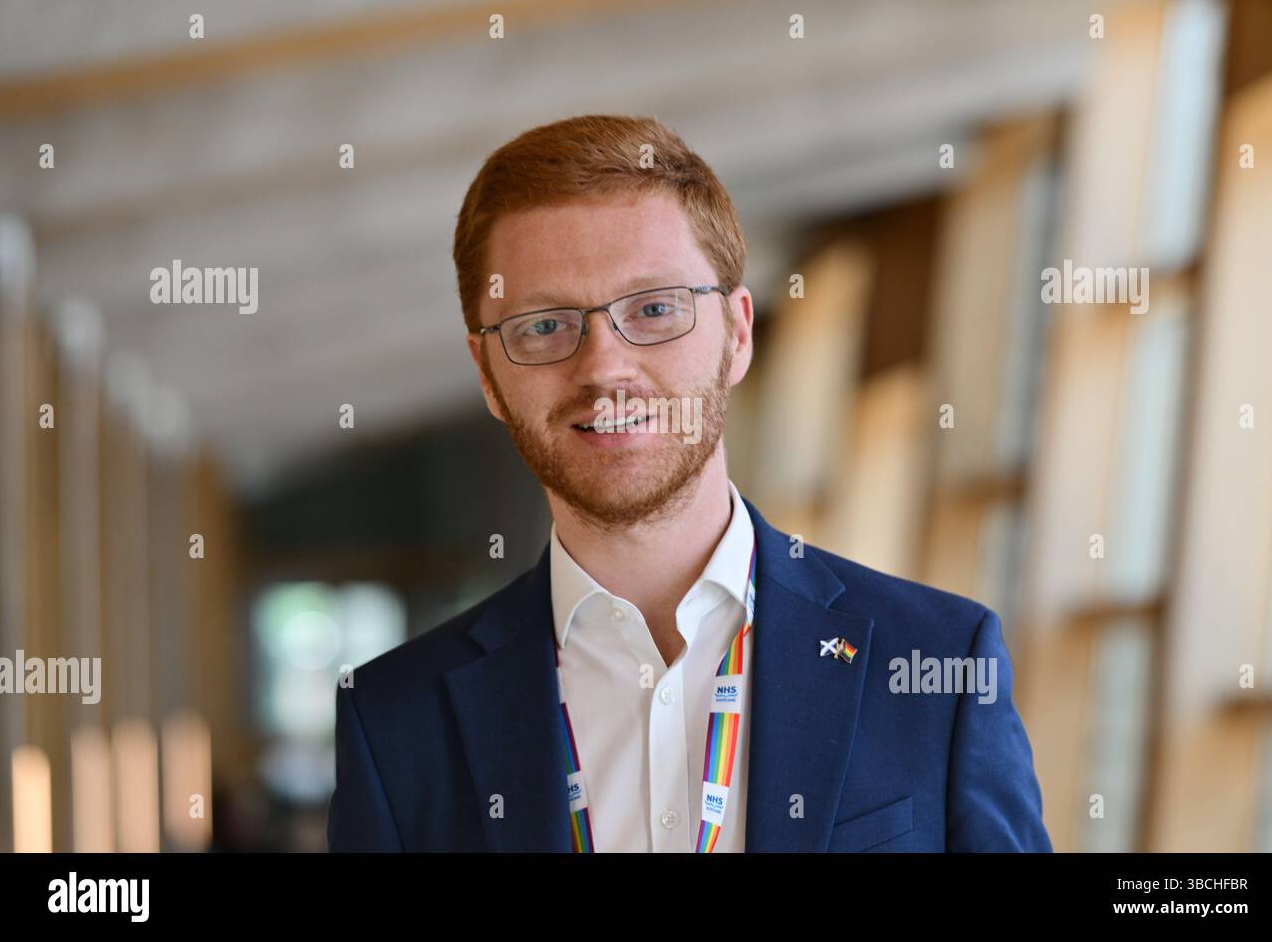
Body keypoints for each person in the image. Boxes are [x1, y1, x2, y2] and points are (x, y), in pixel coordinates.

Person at [326, 114, 1052, 852]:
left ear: (738, 334)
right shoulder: (395, 723)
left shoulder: (938, 665)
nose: (604, 367)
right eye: (543, 326)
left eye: (654, 309)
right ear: (487, 374)